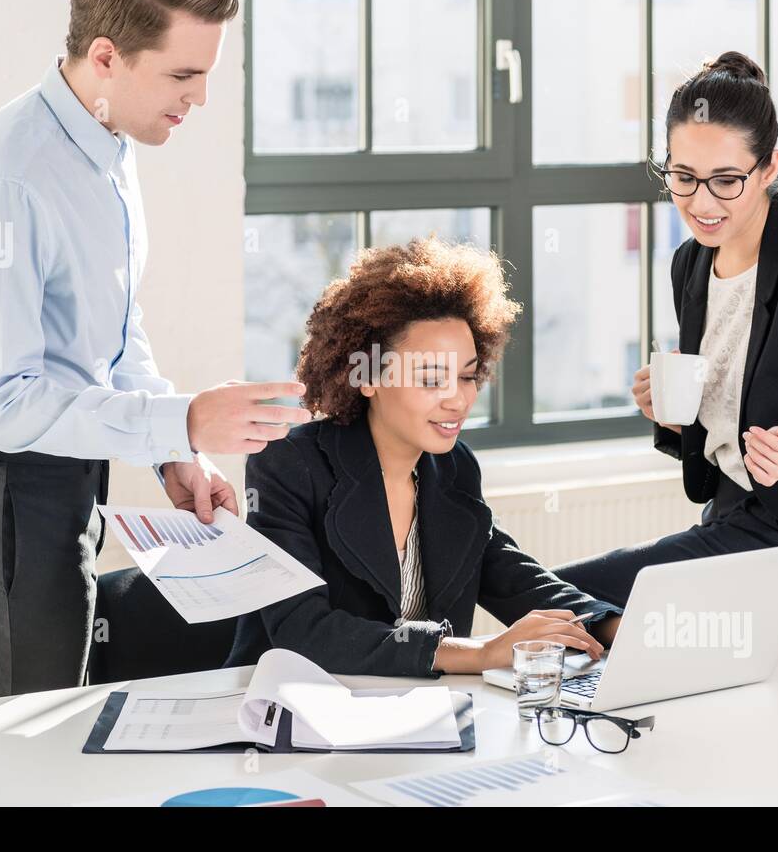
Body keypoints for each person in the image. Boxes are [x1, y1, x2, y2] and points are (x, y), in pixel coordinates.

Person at [0, 0, 309, 701]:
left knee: (60, 727)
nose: (198, 100)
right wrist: (185, 417)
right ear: (106, 57)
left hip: (61, 484)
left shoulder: (108, 143)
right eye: (183, 75)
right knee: (26, 755)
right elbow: (5, 402)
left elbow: (117, 338)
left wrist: (172, 450)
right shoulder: (13, 175)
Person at [556, 51, 778, 627]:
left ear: (769, 167)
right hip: (733, 523)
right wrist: (674, 418)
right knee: (554, 596)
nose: (701, 203)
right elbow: (719, 425)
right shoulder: (689, 265)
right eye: (683, 178)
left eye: (726, 180)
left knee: (561, 595)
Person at [226, 238, 623, 677]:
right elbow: (303, 632)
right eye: (432, 378)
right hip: (290, 711)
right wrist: (478, 654)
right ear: (368, 376)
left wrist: (612, 626)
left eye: (468, 376)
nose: (458, 399)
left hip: (416, 714)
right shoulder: (289, 465)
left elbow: (509, 573)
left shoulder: (452, 468)